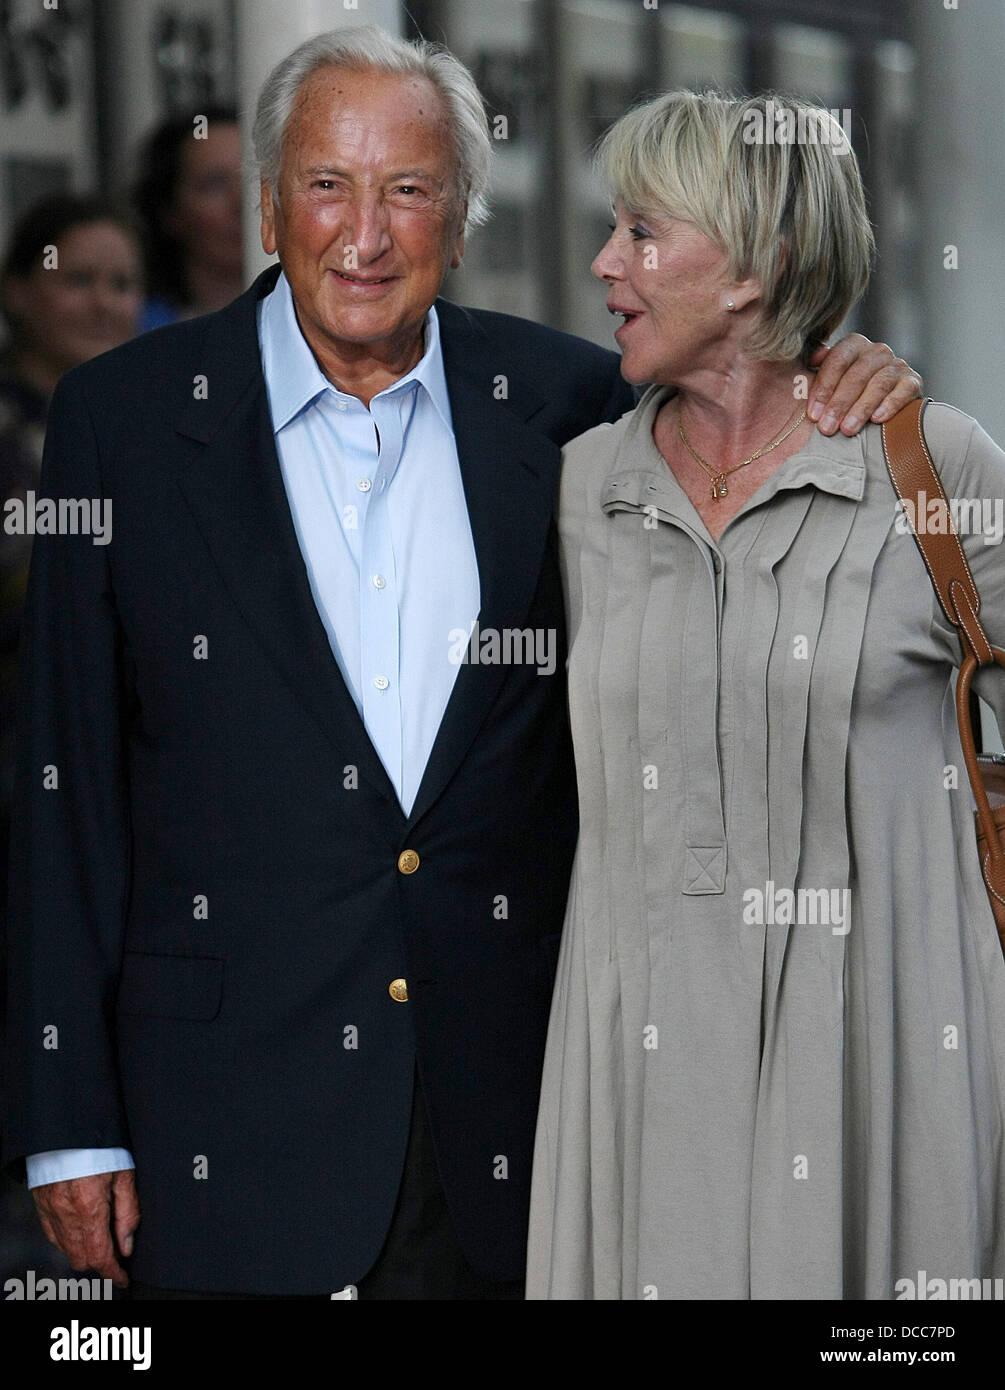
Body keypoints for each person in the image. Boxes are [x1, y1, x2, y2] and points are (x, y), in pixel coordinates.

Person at [2, 31, 919, 1300]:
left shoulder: (575, 409)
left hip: (516, 1135)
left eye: (410, 189)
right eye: (327, 185)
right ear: (270, 204)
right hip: (218, 1133)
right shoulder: (124, 421)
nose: (364, 236)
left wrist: (852, 377)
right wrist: (70, 1118)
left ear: (465, 215)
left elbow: (746, 437)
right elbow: (65, 794)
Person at [526, 89, 1005, 1301]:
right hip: (637, 1067)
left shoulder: (932, 463)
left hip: (886, 1057)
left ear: (759, 266)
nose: (604, 264)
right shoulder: (580, 481)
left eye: (642, 232)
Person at [131, 106, 244, 330]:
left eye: (256, 179)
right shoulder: (134, 328)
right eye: (214, 185)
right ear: (168, 210)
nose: (241, 203)